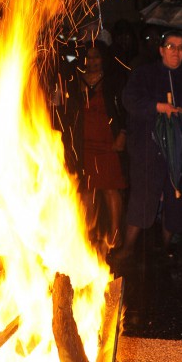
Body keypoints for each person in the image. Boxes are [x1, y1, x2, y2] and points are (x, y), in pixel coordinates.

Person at [117, 30, 182, 263]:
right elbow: (130, 100)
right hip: (149, 149)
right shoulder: (144, 75)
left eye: (181, 48)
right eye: (171, 47)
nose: (176, 52)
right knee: (143, 197)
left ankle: (164, 246)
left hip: (180, 152)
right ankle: (128, 247)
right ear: (161, 49)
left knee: (175, 199)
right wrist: (158, 107)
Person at [76, 39, 127, 250]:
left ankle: (115, 235)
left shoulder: (113, 80)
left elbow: (123, 109)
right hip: (85, 141)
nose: (92, 61)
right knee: (87, 189)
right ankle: (88, 233)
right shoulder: (75, 79)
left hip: (107, 140)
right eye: (89, 56)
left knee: (110, 188)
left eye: (97, 56)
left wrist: (122, 133)